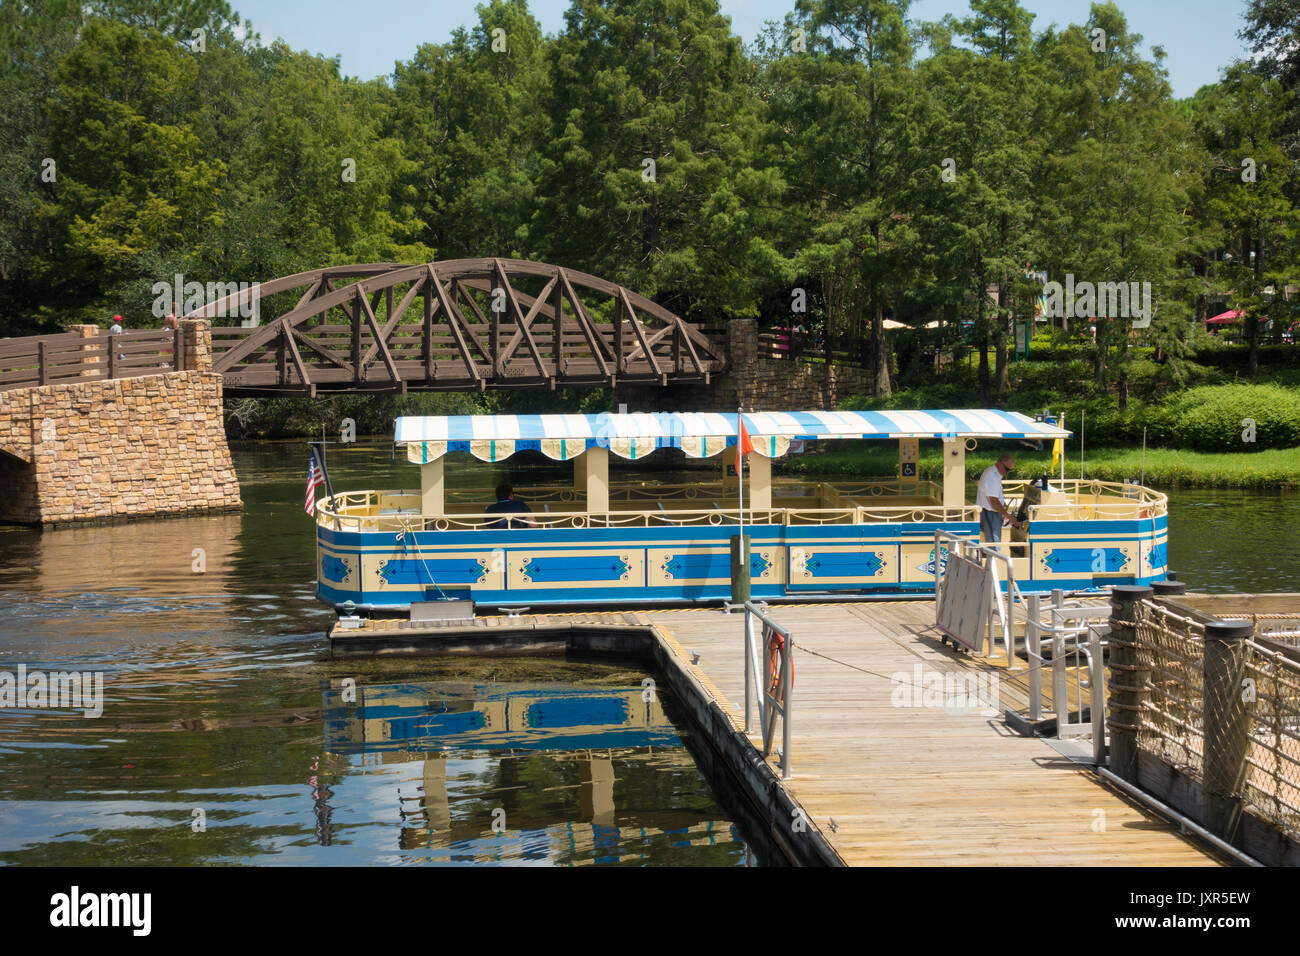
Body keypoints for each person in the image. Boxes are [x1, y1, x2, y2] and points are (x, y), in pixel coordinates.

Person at [976, 453, 1021, 544]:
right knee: (994, 543)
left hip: (988, 511)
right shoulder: (993, 476)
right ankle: (994, 557)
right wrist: (1008, 516)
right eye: (1007, 469)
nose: (1006, 472)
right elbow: (994, 501)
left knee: (992, 541)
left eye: (1009, 471)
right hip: (990, 513)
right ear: (1000, 463)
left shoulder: (991, 472)